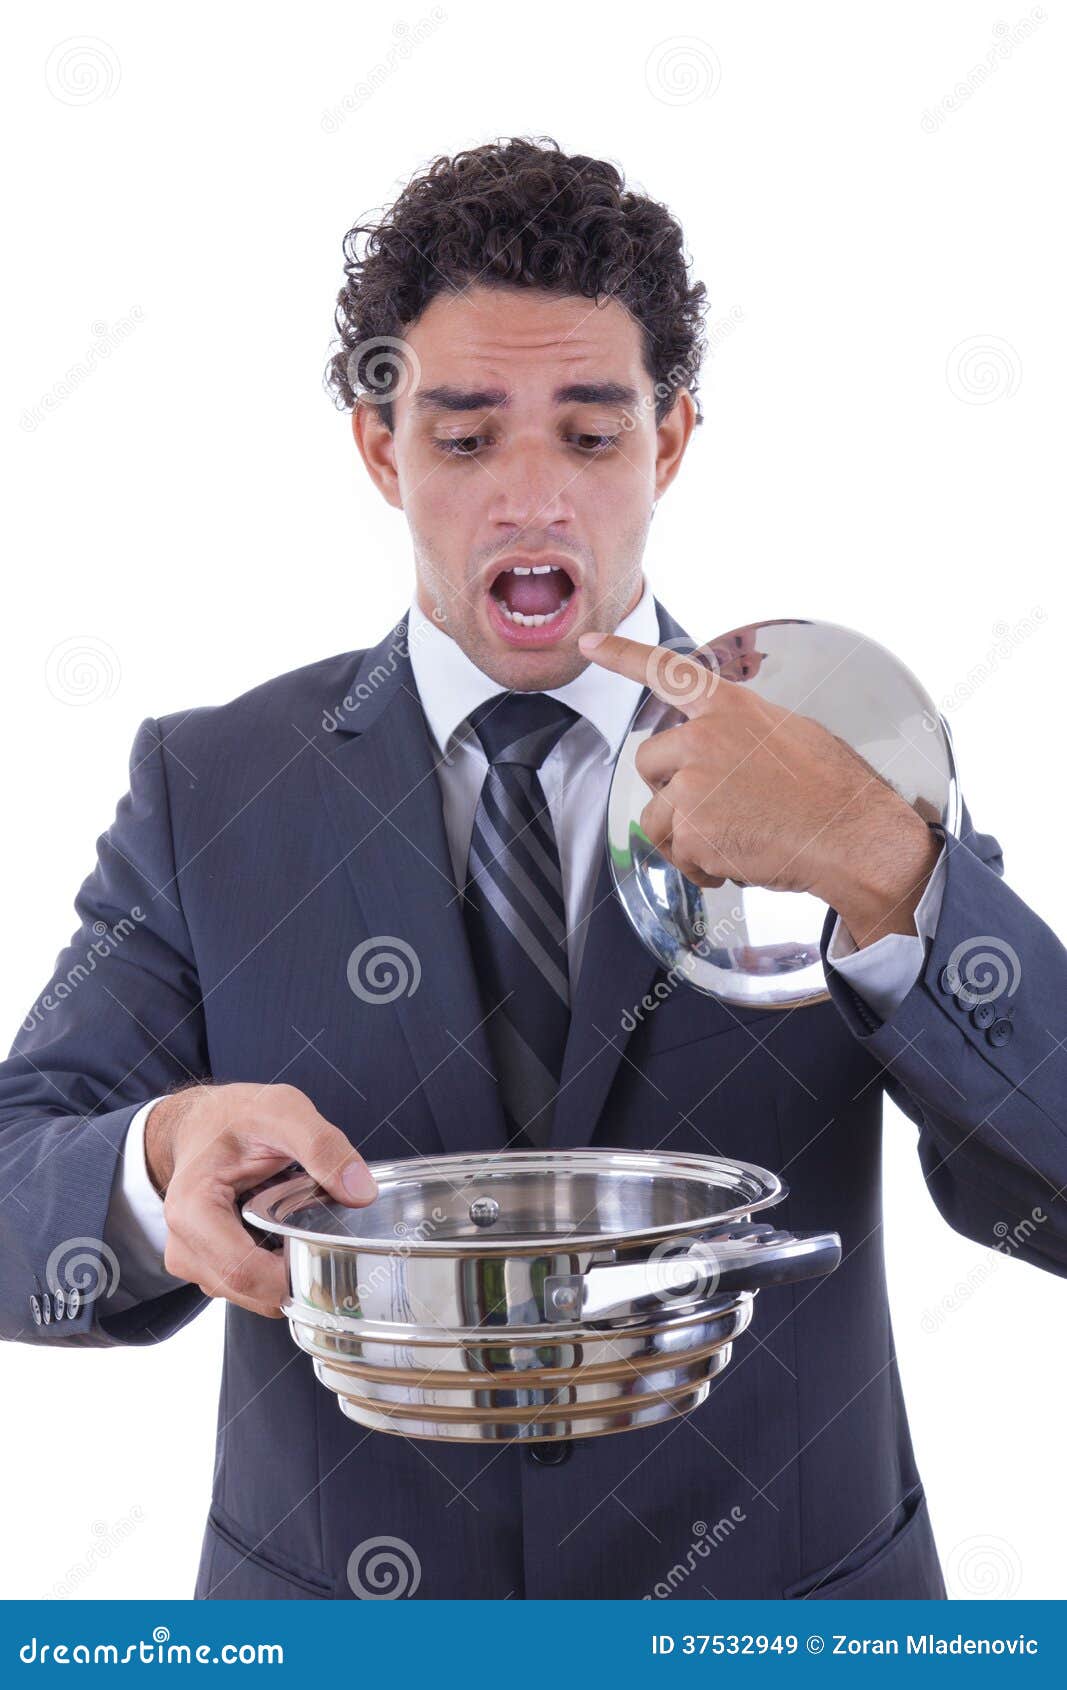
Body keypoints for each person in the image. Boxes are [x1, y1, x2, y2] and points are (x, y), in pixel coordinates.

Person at [2, 136, 1064, 1602]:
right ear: (382, 447)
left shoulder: (841, 754)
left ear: (671, 439)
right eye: (463, 436)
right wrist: (153, 1156)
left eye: (588, 433)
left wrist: (887, 863)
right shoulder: (214, 787)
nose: (531, 500)